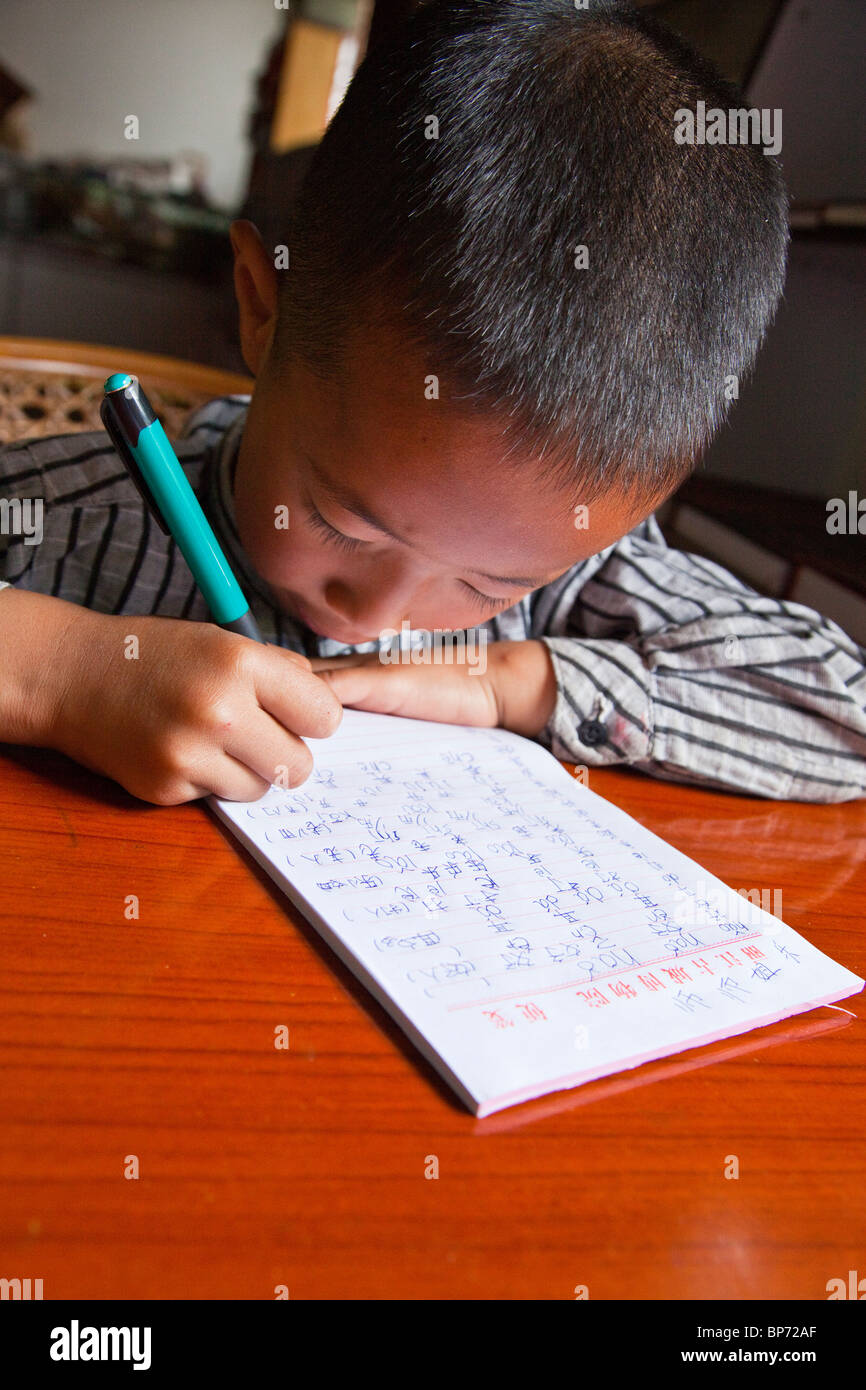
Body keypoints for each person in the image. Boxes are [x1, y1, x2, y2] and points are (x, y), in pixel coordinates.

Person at [1, 0, 863, 805]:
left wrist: (511, 683)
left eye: (489, 583)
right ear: (262, 308)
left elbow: (846, 710)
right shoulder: (77, 518)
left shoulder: (582, 579)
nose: (373, 615)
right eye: (343, 523)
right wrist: (68, 675)